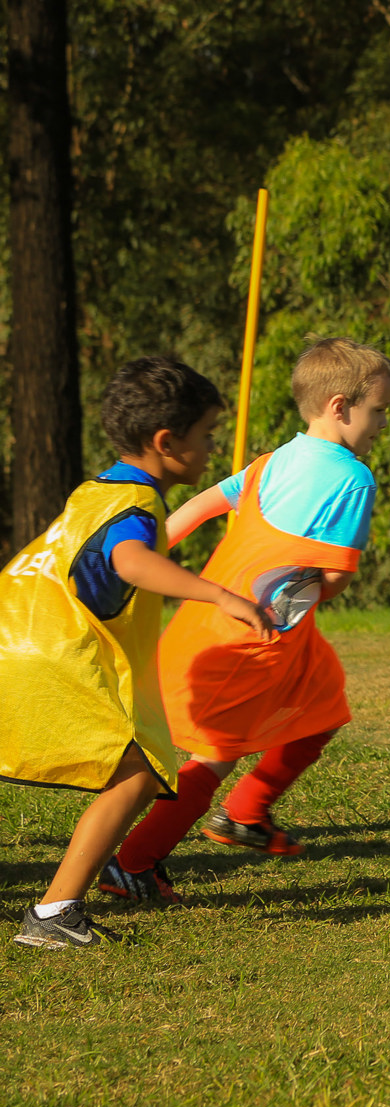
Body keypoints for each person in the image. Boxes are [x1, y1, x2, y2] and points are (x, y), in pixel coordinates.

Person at [99, 338, 390, 904]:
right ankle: (132, 864)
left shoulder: (272, 460)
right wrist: (312, 583)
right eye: (378, 410)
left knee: (324, 703)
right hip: (257, 639)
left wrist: (140, 558)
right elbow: (335, 578)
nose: (383, 423)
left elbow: (196, 509)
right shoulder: (354, 479)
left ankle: (246, 812)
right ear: (339, 406)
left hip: (218, 618)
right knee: (215, 753)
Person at [3, 358, 274, 948]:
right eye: (206, 435)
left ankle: (55, 911)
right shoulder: (138, 505)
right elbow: (129, 562)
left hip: (16, 637)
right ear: (166, 442)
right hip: (47, 651)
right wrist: (220, 595)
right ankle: (53, 915)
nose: (212, 449)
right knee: (139, 771)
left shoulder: (98, 487)